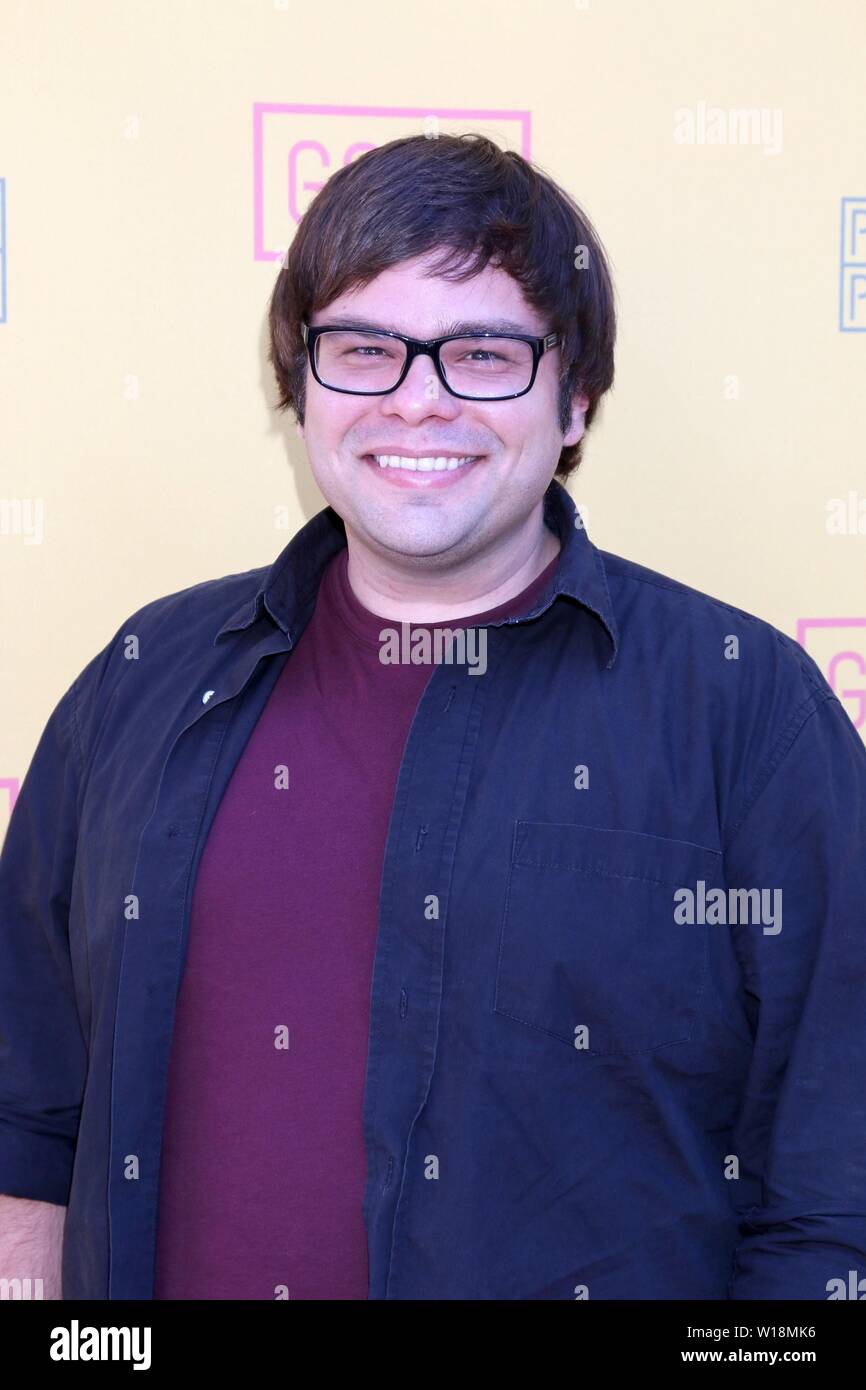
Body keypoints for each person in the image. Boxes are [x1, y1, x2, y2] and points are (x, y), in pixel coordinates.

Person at [1, 133, 864, 1301]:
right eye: (364, 349)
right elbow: (26, 1126)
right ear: (299, 385)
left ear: (574, 399)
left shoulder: (743, 711)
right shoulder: (141, 681)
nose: (417, 398)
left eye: (482, 353)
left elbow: (832, 1192)